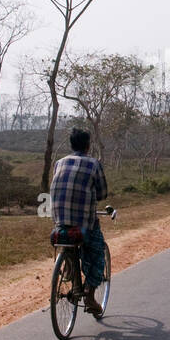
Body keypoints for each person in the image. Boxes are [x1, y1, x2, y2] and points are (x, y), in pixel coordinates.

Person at [50, 127, 109, 318]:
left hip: (59, 222)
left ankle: (68, 265)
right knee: (98, 254)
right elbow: (102, 194)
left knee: (71, 238)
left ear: (71, 144)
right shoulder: (94, 164)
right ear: (87, 145)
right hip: (84, 224)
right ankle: (90, 297)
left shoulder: (59, 163)